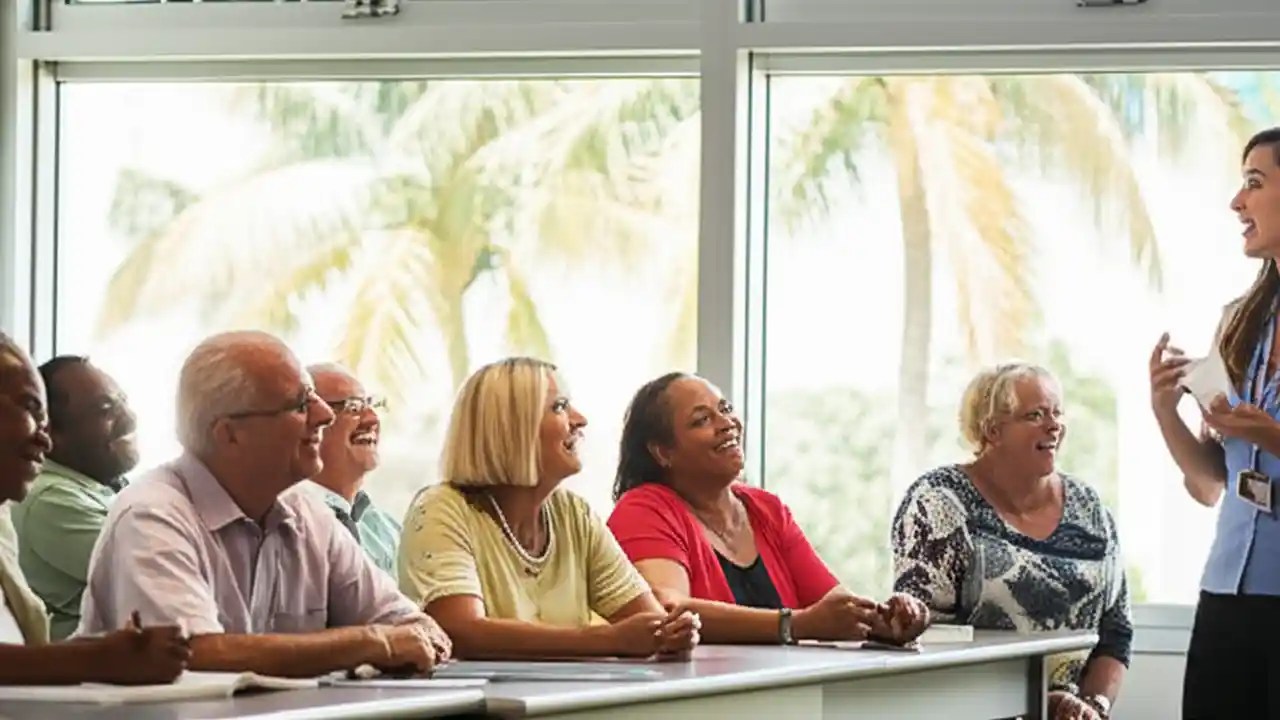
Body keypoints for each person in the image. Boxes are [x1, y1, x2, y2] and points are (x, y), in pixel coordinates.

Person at [78, 330, 451, 678]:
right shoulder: (152, 516)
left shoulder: (307, 512)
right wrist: (373, 643)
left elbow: (411, 625)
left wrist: (402, 637)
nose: (325, 415)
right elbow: (194, 656)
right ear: (229, 435)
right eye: (301, 404)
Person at [398, 357, 701, 660]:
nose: (579, 419)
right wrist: (608, 639)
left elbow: (649, 620)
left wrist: (672, 632)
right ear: (511, 428)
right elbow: (460, 630)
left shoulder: (574, 513)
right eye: (559, 407)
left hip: (563, 700)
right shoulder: (442, 509)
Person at [608, 372, 928, 646]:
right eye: (702, 420)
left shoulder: (767, 509)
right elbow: (667, 609)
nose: (727, 424)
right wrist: (793, 625)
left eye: (726, 408)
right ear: (663, 452)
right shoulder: (643, 509)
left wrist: (881, 620)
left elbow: (831, 606)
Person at [892, 362, 1130, 720]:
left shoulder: (1089, 509)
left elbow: (1116, 632)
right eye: (1034, 415)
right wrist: (1023, 703)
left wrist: (1093, 706)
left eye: (1057, 413)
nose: (1053, 426)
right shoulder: (941, 501)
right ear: (993, 431)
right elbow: (923, 635)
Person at [1150, 127, 1280, 719]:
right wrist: (1165, 411)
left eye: (1254, 183)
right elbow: (1208, 484)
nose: (1237, 202)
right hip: (1228, 594)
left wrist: (1267, 436)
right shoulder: (1239, 321)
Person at [0, 331, 189, 684]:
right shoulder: (48, 498)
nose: (43, 437)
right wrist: (95, 659)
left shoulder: (3, 521)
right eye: (28, 407)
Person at [12, 356, 139, 639]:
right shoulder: (49, 499)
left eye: (123, 402)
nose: (130, 418)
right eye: (106, 409)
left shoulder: (96, 485)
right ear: (53, 431)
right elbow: (161, 571)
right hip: (93, 677)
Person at [305, 363, 400, 575]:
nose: (372, 419)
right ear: (310, 420)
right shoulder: (287, 523)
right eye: (354, 408)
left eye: (372, 404)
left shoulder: (386, 528)